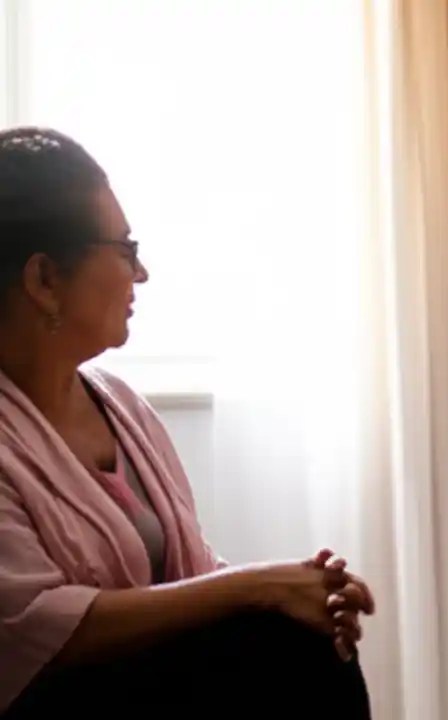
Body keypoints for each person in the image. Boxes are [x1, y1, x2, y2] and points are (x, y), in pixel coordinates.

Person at [0, 127, 376, 718]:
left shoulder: (120, 405)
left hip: (155, 690)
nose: (141, 273)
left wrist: (297, 591)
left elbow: (194, 578)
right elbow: (31, 625)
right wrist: (260, 588)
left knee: (307, 639)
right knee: (282, 647)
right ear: (45, 279)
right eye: (124, 250)